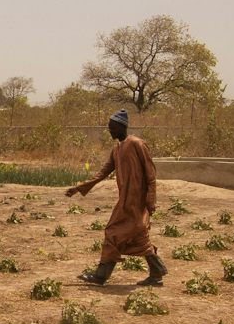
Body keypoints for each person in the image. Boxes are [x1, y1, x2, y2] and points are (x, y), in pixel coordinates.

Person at [65, 108, 166, 286]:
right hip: (126, 202)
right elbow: (103, 172)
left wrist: (150, 202)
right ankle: (156, 271)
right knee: (138, 237)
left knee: (113, 233)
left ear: (121, 127)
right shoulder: (117, 149)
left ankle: (101, 275)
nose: (110, 130)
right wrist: (79, 187)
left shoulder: (137, 144)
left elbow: (151, 174)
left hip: (136, 202)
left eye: (112, 127)